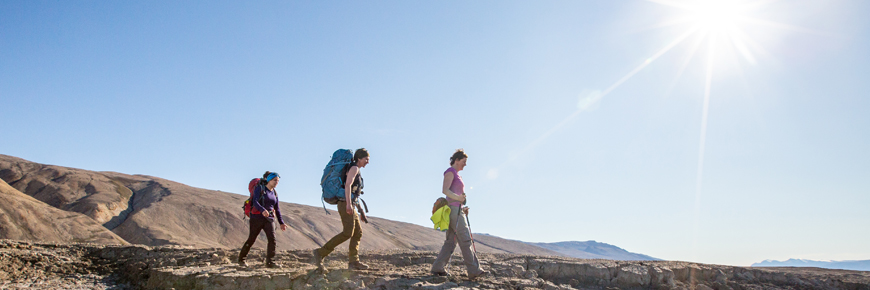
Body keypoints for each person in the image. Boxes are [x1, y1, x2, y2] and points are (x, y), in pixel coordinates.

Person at [430, 149, 488, 279]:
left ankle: (438, 267)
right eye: (464, 161)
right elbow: (445, 190)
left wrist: (462, 206)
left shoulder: (456, 174)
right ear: (457, 160)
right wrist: (459, 199)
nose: (465, 164)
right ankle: (474, 270)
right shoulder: (450, 172)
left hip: (456, 209)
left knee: (451, 241)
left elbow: (453, 195)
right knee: (465, 239)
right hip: (454, 211)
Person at [312, 148, 370, 271]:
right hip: (345, 203)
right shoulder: (354, 168)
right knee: (348, 232)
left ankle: (354, 261)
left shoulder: (355, 168)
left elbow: (354, 192)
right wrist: (349, 204)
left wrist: (360, 210)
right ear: (359, 158)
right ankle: (320, 253)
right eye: (366, 159)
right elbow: (348, 185)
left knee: (358, 233)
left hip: (349, 203)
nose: (367, 162)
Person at [238, 171, 287, 268]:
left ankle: (270, 262)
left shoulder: (275, 193)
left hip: (269, 219)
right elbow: (255, 201)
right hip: (256, 217)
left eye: (277, 181)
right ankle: (241, 259)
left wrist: (281, 222)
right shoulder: (260, 189)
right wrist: (262, 210)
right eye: (274, 180)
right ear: (269, 180)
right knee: (252, 239)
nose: (276, 182)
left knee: (272, 240)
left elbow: (277, 208)